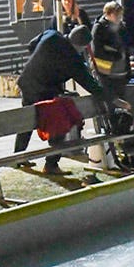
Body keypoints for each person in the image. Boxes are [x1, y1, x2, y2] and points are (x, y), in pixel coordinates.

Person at [14, 17, 107, 174]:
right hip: (43, 90)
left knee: (27, 119)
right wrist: (108, 96)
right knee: (59, 124)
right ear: (82, 46)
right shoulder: (72, 59)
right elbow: (89, 83)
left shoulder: (51, 34)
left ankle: (17, 157)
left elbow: (31, 46)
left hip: (26, 81)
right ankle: (51, 164)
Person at [88, 0, 132, 111]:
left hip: (121, 73)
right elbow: (96, 51)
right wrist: (114, 55)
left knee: (123, 102)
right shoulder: (99, 28)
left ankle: (124, 124)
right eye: (117, 15)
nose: (119, 18)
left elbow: (125, 47)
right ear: (109, 14)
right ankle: (114, 125)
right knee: (112, 103)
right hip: (107, 74)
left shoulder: (121, 27)